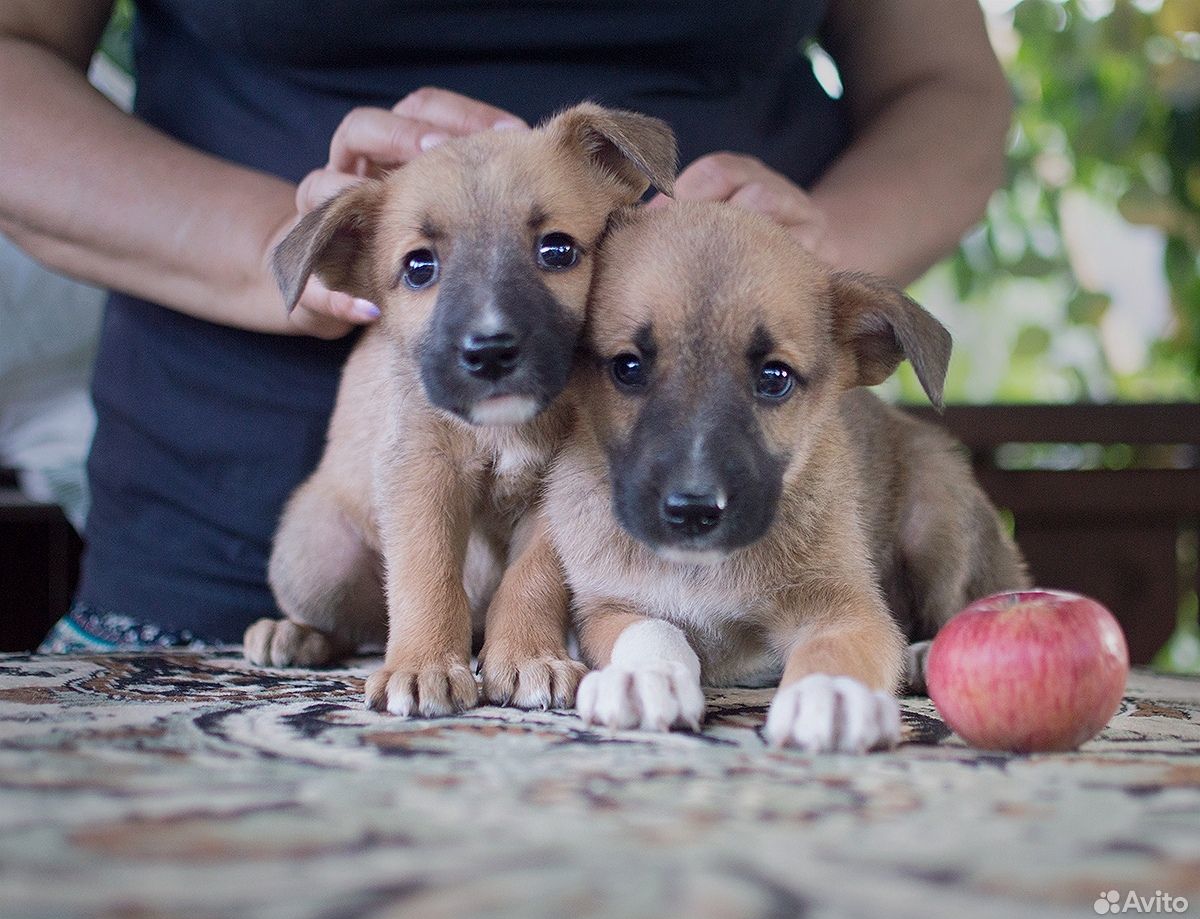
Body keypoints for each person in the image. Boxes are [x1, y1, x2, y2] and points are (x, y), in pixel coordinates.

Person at [0, 1, 1012, 651]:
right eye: (426, 271)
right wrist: (294, 246)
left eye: (561, 254)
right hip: (210, 554)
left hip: (718, 604)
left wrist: (811, 270)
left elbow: (947, 83)